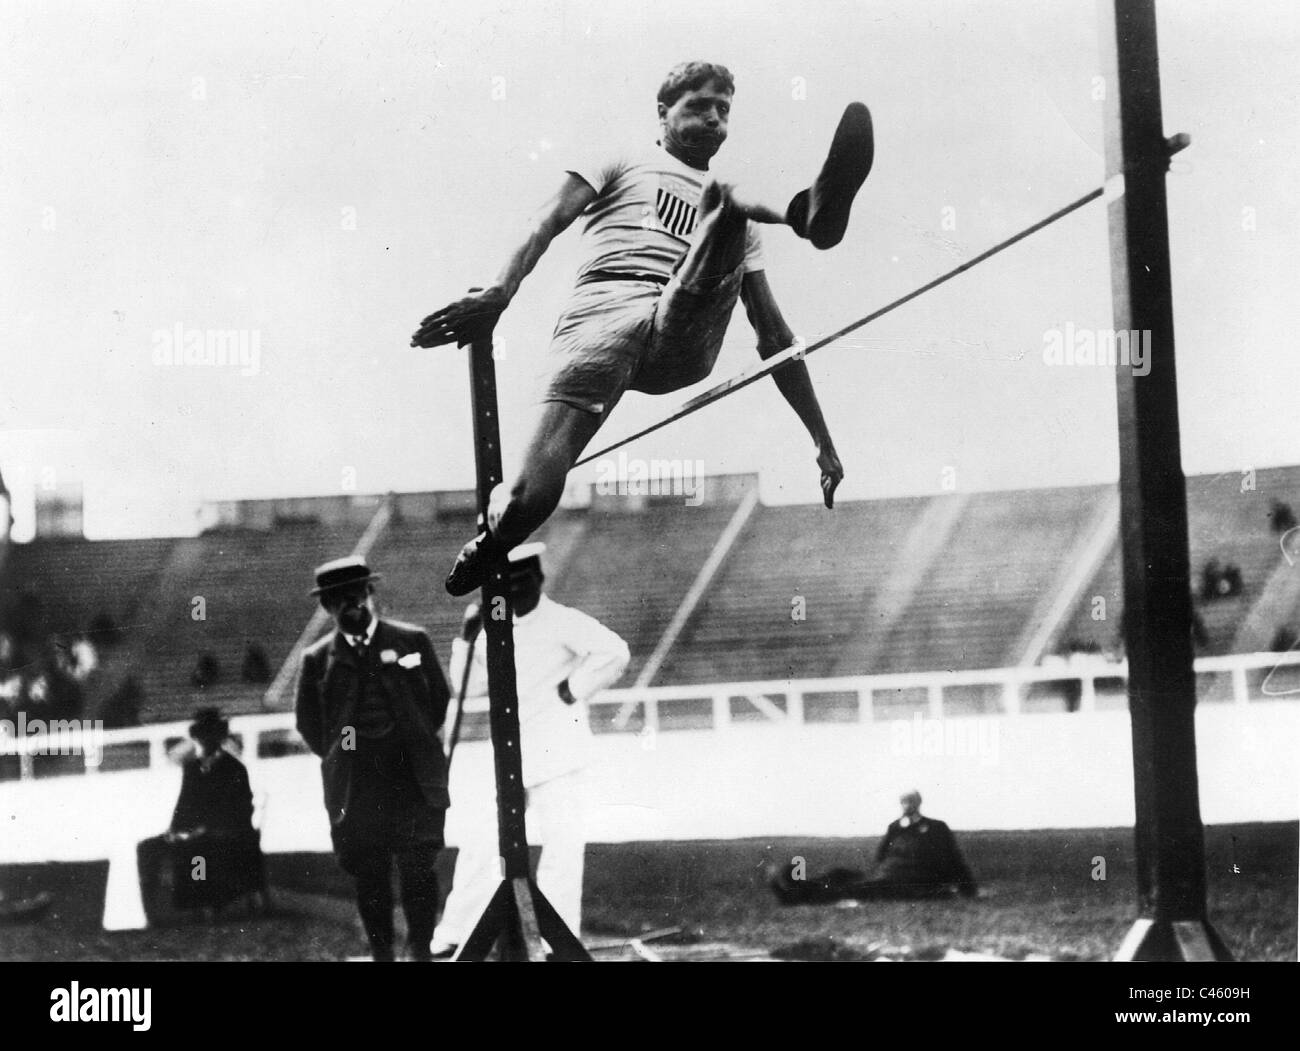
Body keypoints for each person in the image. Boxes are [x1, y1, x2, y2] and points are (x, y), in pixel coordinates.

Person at [411, 61, 872, 595]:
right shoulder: (621, 159)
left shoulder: (735, 209)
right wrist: (500, 291)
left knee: (725, 193)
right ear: (662, 112)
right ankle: (490, 545)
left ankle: (807, 215)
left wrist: (822, 439)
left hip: (680, 324)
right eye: (698, 106)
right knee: (523, 499)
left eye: (723, 110)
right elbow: (546, 222)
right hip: (602, 313)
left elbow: (773, 336)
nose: (714, 120)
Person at [430, 542, 630, 958]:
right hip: (509, 754)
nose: (517, 590)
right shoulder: (495, 626)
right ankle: (455, 931)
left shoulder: (564, 621)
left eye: (524, 581)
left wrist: (572, 689)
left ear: (539, 579)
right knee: (482, 841)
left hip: (559, 754)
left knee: (562, 846)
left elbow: (615, 651)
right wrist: (466, 641)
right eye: (509, 582)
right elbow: (470, 684)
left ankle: (557, 938)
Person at [294, 556, 452, 962]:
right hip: (357, 784)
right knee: (370, 874)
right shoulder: (316, 660)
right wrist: (345, 757)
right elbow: (311, 726)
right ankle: (382, 954)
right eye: (338, 599)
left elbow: (438, 700)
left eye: (358, 593)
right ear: (326, 607)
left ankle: (421, 950)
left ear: (371, 592)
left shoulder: (411, 641)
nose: (352, 604)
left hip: (411, 777)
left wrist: (412, 739)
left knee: (419, 869)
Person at [137, 707, 266, 919]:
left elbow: (240, 809)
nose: (205, 739)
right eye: (202, 734)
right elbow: (184, 803)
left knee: (198, 849)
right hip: (195, 831)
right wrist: (174, 829)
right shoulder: (191, 769)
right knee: (147, 847)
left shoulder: (233, 768)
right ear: (196, 737)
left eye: (211, 734)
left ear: (219, 737)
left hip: (227, 832)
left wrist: (205, 829)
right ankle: (153, 912)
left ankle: (204, 901)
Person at [767, 790, 978, 905]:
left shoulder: (936, 828)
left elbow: (954, 859)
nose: (907, 806)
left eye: (910, 802)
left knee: (852, 890)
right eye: (903, 802)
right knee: (840, 874)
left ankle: (795, 894)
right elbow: (881, 856)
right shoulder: (895, 827)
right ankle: (799, 882)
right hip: (888, 876)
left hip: (914, 881)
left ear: (919, 803)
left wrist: (967, 887)